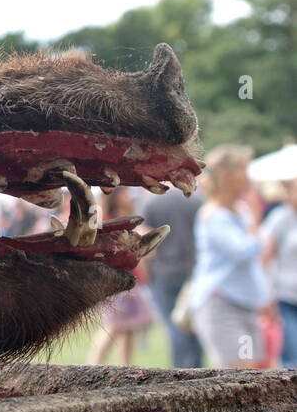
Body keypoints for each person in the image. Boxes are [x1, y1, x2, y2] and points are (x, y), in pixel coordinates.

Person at [187, 145, 272, 369]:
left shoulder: (240, 210)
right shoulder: (214, 216)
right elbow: (245, 250)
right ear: (226, 175)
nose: (248, 177)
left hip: (245, 303)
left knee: (251, 371)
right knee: (239, 372)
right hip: (221, 305)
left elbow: (254, 259)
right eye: (244, 170)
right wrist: (256, 220)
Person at [139, 186, 204, 367]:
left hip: (162, 271)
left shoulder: (151, 201)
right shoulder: (196, 199)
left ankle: (182, 369)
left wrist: (146, 273)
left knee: (173, 326)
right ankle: (195, 367)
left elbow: (143, 238)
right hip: (191, 271)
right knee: (192, 325)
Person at [88, 189, 155, 365]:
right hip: (117, 283)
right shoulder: (113, 223)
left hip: (127, 282)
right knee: (113, 328)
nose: (129, 197)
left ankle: (125, 367)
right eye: (125, 193)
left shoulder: (116, 220)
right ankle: (94, 366)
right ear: (116, 197)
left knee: (127, 329)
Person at [260, 178, 297, 368]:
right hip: (286, 297)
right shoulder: (280, 218)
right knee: (292, 355)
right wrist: (267, 294)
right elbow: (264, 259)